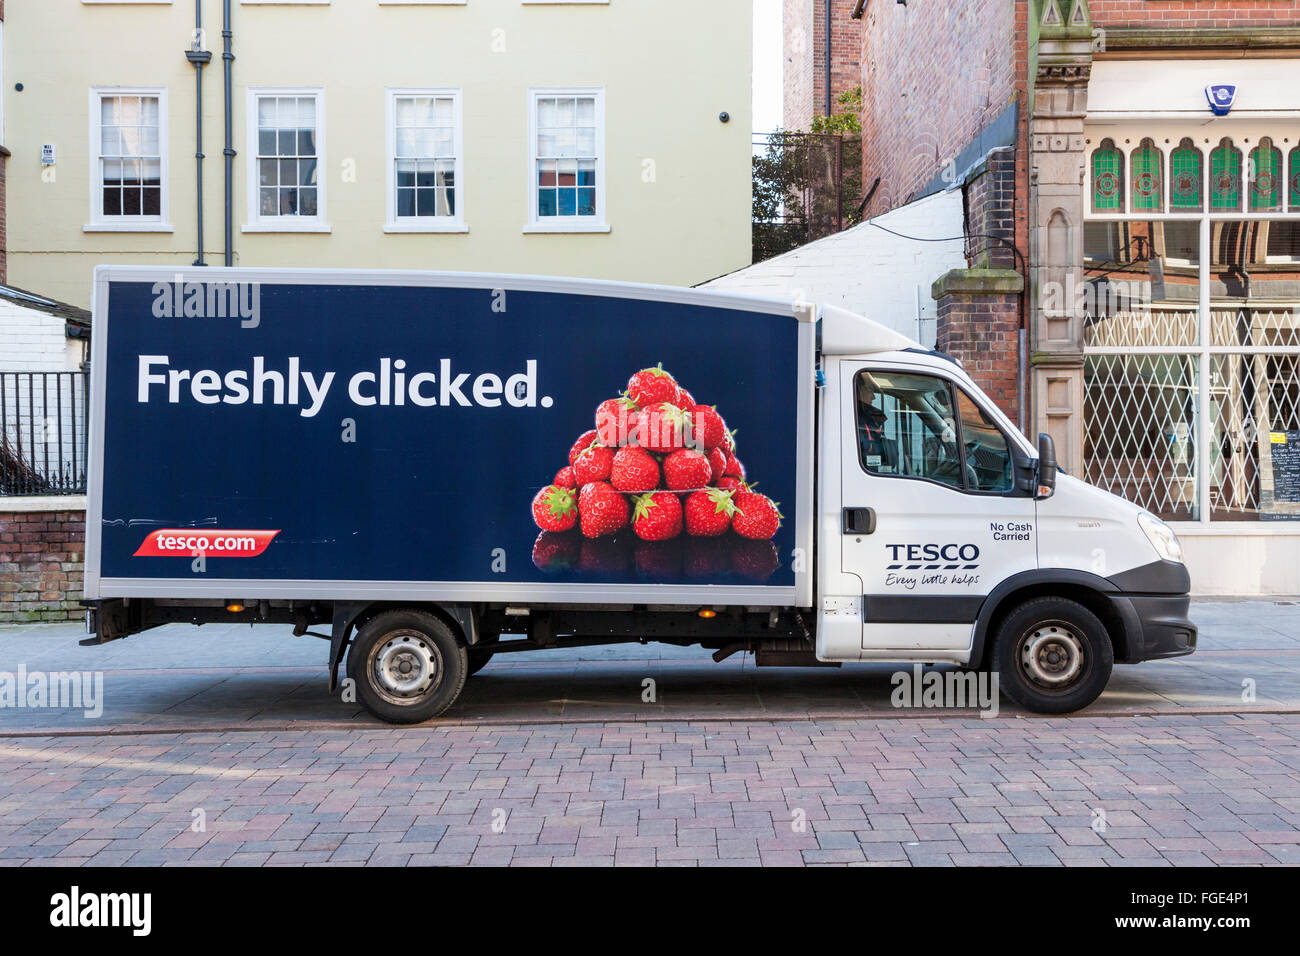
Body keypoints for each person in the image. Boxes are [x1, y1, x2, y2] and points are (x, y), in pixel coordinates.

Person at [856, 374, 896, 473]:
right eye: (869, 390)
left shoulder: (871, 420)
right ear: (858, 391)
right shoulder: (860, 420)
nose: (873, 397)